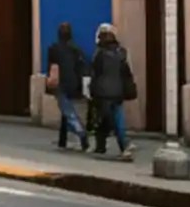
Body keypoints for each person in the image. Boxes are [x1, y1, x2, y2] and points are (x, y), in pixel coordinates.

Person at [90, 23, 136, 161]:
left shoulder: (99, 54)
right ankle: (104, 146)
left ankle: (124, 144)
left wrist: (92, 91)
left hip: (103, 93)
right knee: (116, 119)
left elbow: (95, 74)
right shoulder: (121, 53)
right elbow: (127, 73)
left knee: (107, 120)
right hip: (118, 92)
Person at [45, 22, 89, 151]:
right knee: (65, 111)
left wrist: (50, 81)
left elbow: (52, 67)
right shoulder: (76, 49)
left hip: (61, 83)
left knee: (68, 112)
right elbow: (82, 67)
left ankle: (82, 134)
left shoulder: (54, 49)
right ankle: (62, 140)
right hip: (73, 83)